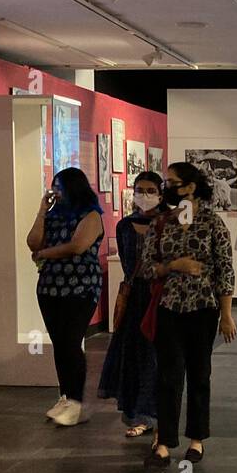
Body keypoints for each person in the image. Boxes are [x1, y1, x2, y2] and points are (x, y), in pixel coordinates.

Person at [141, 162, 236, 467]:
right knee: (168, 376)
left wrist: (227, 314)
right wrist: (173, 266)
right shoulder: (162, 223)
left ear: (191, 187)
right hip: (168, 307)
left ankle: (197, 439)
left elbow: (225, 270)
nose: (168, 187)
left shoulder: (212, 222)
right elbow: (146, 267)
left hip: (203, 308)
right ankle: (164, 441)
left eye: (173, 182)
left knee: (199, 374)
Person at [26, 167, 105, 426]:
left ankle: (76, 401)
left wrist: (45, 255)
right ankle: (65, 396)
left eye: (59, 187)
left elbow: (77, 246)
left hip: (80, 287)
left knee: (71, 342)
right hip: (50, 287)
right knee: (60, 344)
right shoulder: (53, 215)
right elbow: (33, 241)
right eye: (53, 187)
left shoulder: (91, 215)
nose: (55, 192)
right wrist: (41, 210)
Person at [97, 171, 165, 437]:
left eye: (150, 190)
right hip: (136, 296)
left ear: (160, 192)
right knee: (133, 354)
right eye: (140, 189)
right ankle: (135, 411)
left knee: (154, 355)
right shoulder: (125, 225)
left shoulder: (167, 222)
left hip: (159, 295)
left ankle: (151, 412)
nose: (144, 195)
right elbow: (128, 263)